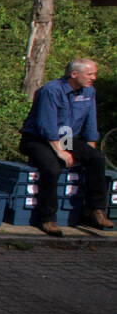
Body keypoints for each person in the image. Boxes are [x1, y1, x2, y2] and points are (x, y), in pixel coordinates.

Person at [19, 57, 113, 235]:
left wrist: (89, 149)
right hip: (37, 139)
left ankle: (96, 209)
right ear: (74, 74)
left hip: (65, 137)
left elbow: (90, 124)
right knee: (52, 168)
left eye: (95, 74)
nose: (94, 78)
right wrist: (60, 152)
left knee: (97, 159)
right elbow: (46, 125)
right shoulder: (51, 91)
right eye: (90, 74)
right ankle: (47, 218)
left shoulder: (89, 91)